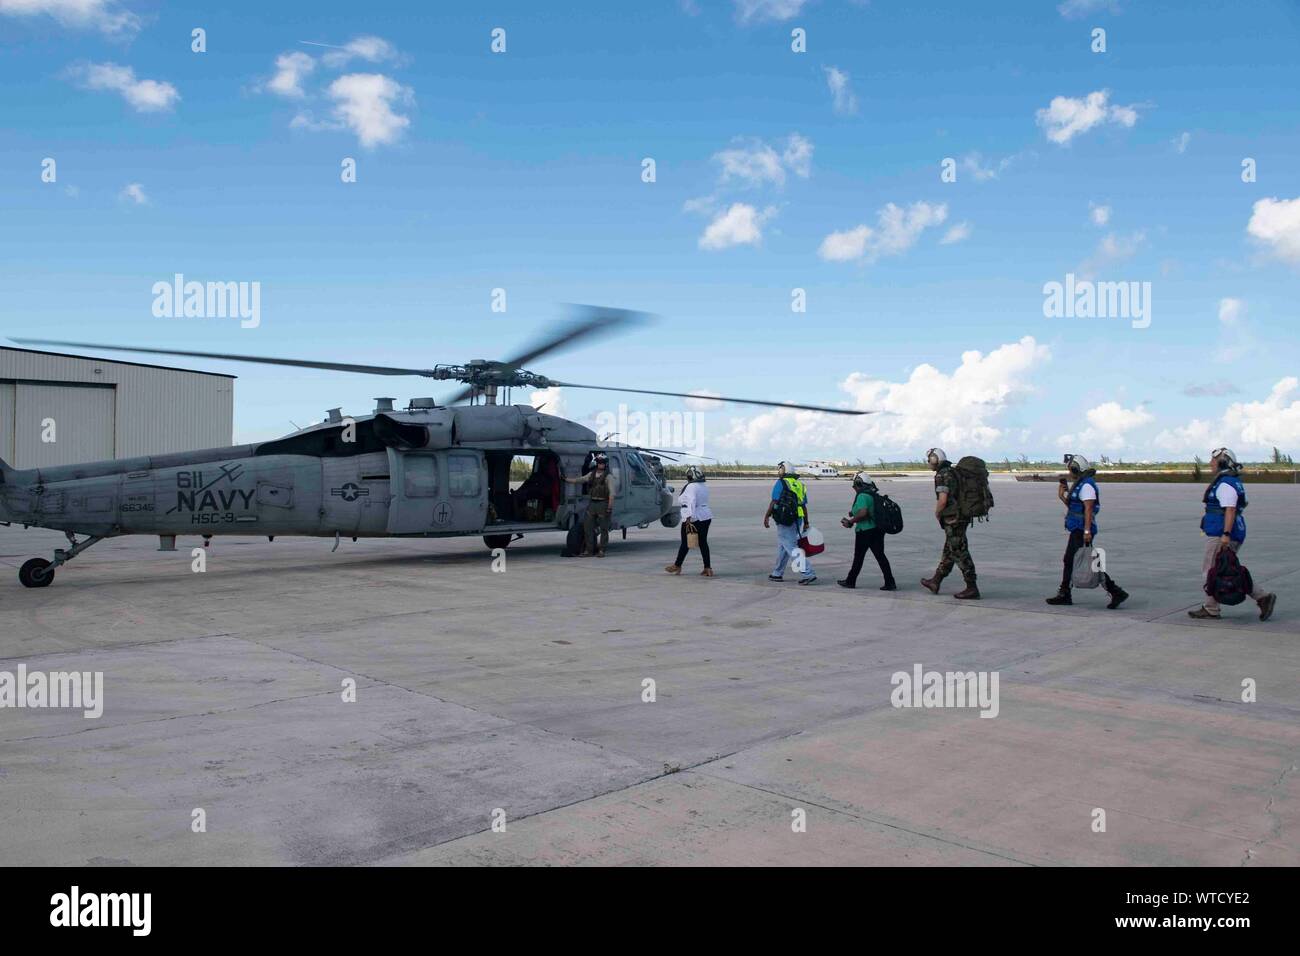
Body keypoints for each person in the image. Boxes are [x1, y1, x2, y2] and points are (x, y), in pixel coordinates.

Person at [1188, 447, 1277, 621]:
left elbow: (1230, 509)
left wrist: (1226, 535)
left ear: (1222, 462)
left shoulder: (1225, 484)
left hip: (1222, 533)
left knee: (1212, 571)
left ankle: (1211, 609)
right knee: (1227, 569)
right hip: (1228, 531)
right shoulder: (1229, 481)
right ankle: (1262, 598)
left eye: (1213, 460)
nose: (1210, 463)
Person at [1044, 454, 1129, 609]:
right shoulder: (1081, 484)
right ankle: (1114, 591)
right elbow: (1075, 508)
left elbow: (1088, 509)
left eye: (1071, 469)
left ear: (1077, 469)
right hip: (1078, 528)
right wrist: (1061, 497)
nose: (1069, 472)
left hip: (1082, 530)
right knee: (1079, 560)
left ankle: (1067, 594)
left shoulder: (1087, 486)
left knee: (1074, 560)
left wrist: (1087, 531)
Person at [919, 447, 979, 599]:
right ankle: (936, 581)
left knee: (959, 552)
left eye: (929, 459)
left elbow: (943, 499)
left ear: (935, 459)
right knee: (949, 551)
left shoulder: (942, 475)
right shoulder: (952, 471)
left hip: (953, 519)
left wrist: (938, 513)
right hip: (961, 516)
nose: (928, 462)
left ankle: (972, 587)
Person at [837, 472, 896, 590]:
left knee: (858, 557)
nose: (854, 488)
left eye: (855, 485)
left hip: (865, 531)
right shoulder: (873, 494)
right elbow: (868, 510)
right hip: (877, 530)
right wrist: (853, 513)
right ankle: (890, 582)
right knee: (880, 556)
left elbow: (863, 513)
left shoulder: (862, 496)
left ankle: (850, 581)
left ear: (859, 483)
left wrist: (851, 521)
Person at [763, 461, 816, 584]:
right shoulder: (800, 484)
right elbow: (803, 506)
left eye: (780, 468)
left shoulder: (781, 483)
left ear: (784, 470)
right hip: (798, 518)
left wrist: (766, 516)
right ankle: (777, 573)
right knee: (784, 546)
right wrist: (806, 522)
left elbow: (774, 501)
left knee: (791, 547)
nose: (779, 471)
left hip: (785, 518)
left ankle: (808, 573)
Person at [563, 452, 615, 557]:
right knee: (587, 527)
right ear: (597, 463)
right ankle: (589, 550)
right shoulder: (592, 474)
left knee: (604, 529)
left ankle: (602, 550)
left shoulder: (608, 477)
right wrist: (566, 479)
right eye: (599, 462)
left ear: (605, 464)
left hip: (603, 504)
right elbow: (580, 480)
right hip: (592, 504)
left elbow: (612, 493)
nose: (601, 464)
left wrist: (609, 507)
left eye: (602, 463)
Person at [665, 465, 713, 576]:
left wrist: (688, 518)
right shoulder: (703, 486)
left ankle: (677, 565)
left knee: (685, 543)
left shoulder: (691, 487)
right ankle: (708, 568)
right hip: (705, 516)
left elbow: (691, 502)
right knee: (703, 542)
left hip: (694, 517)